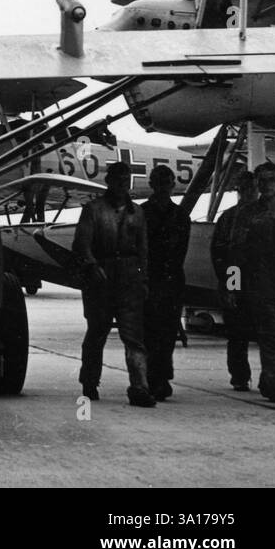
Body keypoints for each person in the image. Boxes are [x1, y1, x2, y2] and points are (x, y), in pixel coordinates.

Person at [72, 161, 155, 406]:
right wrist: (92, 266)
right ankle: (89, 382)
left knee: (134, 337)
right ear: (109, 181)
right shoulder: (93, 210)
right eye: (118, 179)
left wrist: (143, 279)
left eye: (125, 179)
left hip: (129, 279)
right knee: (97, 334)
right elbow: (82, 244)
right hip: (101, 279)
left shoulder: (137, 213)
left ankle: (139, 387)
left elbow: (143, 250)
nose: (122, 184)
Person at [141, 164, 190, 400]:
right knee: (150, 332)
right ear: (153, 185)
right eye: (159, 183)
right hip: (152, 280)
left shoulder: (180, 215)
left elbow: (181, 251)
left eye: (166, 183)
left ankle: (161, 376)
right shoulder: (141, 213)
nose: (163, 188)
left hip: (169, 281)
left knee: (168, 332)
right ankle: (154, 378)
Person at [242, 162, 275, 406]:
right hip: (262, 287)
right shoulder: (248, 213)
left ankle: (271, 381)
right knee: (271, 340)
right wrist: (233, 287)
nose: (265, 184)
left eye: (270, 179)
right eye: (260, 180)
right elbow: (234, 255)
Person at [211, 172, 258, 391]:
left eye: (251, 188)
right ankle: (240, 376)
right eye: (244, 188)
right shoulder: (230, 218)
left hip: (262, 282)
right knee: (238, 333)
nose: (248, 192)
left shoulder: (268, 215)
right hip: (241, 280)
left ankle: (269, 378)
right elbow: (224, 255)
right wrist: (231, 288)